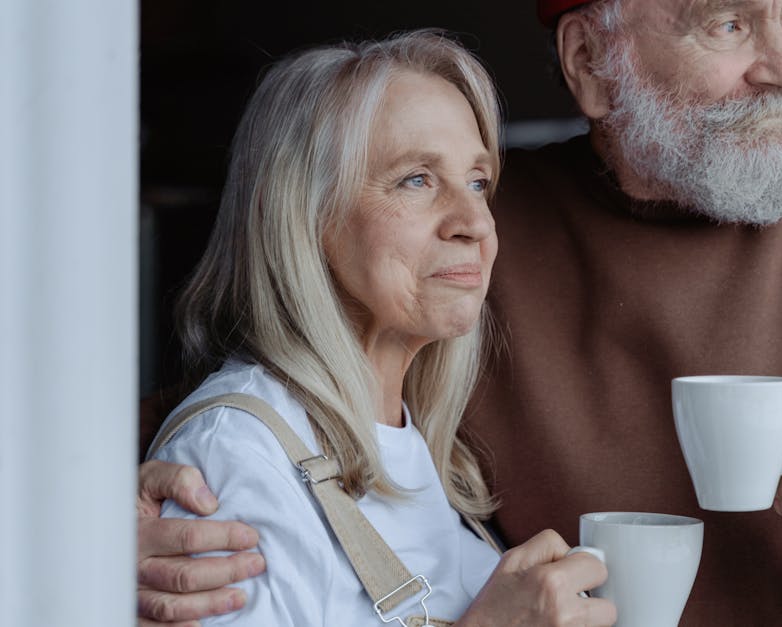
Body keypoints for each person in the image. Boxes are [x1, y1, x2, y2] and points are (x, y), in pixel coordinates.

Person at [138, 1, 782, 624]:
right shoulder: (466, 250)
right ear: (591, 60)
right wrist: (99, 522)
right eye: (729, 23)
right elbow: (261, 409)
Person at [140, 30, 616, 626]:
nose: (475, 221)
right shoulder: (232, 458)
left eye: (477, 182)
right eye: (416, 179)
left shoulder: (417, 447)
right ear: (304, 213)